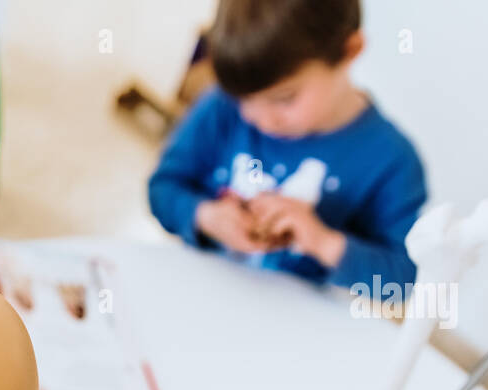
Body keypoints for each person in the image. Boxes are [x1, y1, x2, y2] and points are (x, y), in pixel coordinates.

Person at [149, 0, 427, 293]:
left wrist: (323, 242)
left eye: (283, 98)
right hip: (196, 290)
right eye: (244, 100)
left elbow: (403, 280)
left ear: (350, 50)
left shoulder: (391, 161)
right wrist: (205, 216)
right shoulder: (222, 106)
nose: (260, 119)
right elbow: (162, 189)